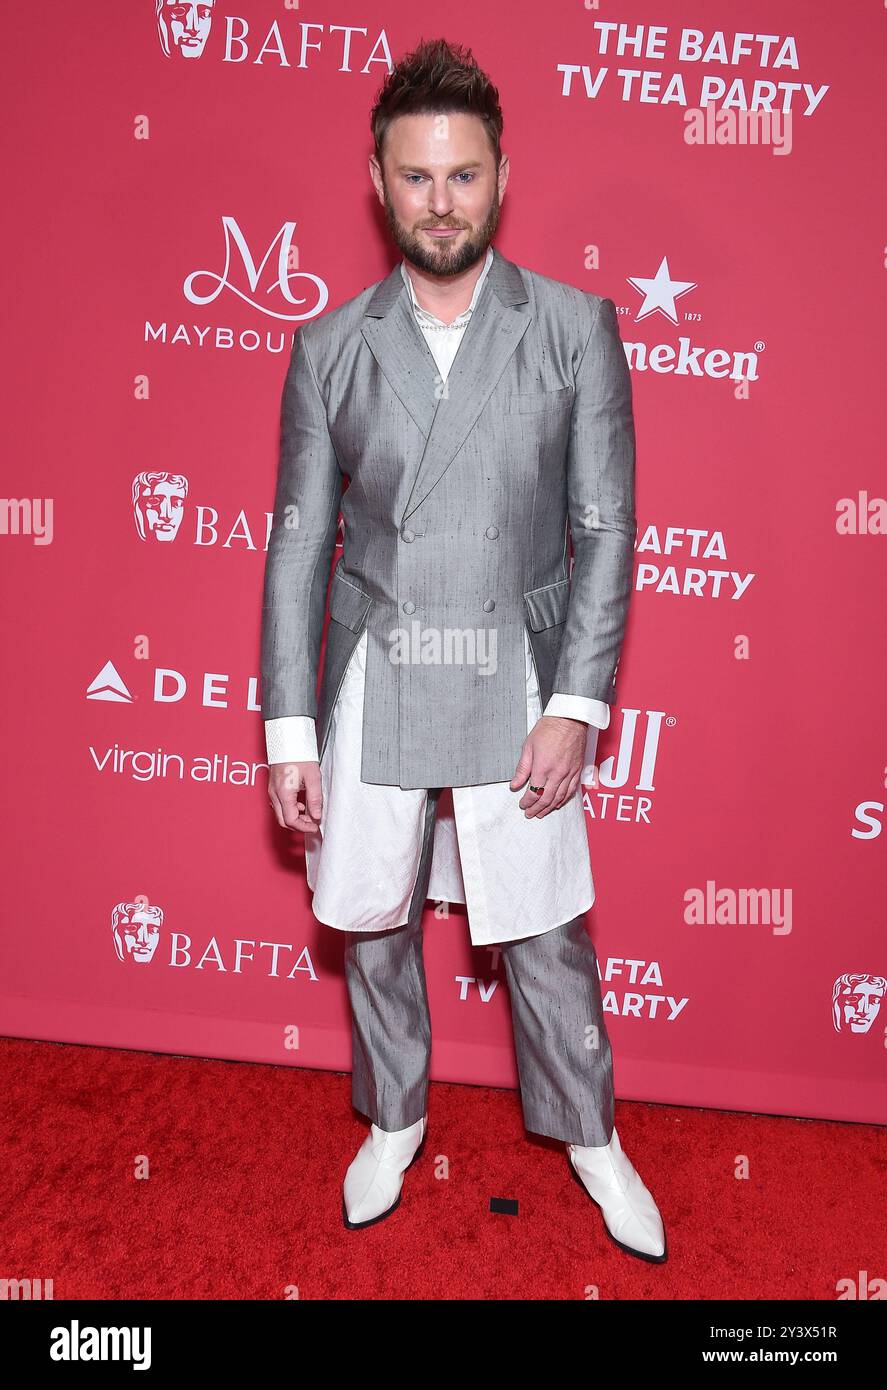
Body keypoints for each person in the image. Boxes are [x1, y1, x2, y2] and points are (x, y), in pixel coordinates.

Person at [261, 36, 666, 1262]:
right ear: (376, 182)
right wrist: (288, 725)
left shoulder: (573, 329)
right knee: (374, 920)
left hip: (517, 666)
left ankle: (588, 1133)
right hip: (378, 657)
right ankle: (394, 1114)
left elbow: (605, 533)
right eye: (417, 177)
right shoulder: (328, 345)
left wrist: (578, 707)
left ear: (502, 175)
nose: (442, 202)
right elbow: (294, 546)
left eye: (464, 176)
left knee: (544, 931)